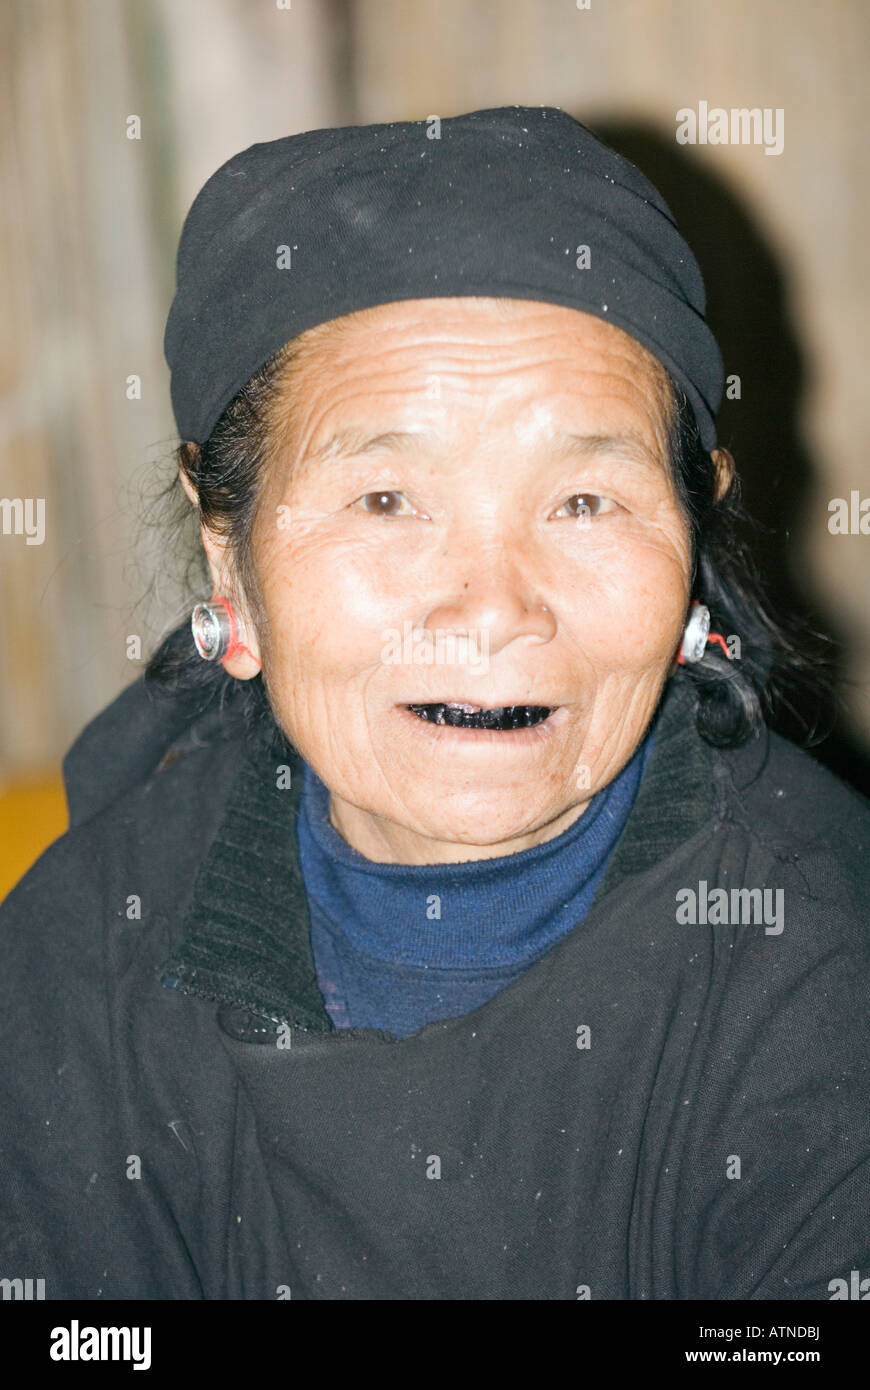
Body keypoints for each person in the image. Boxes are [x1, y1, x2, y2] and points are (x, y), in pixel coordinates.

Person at [1, 106, 868, 1301]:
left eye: (583, 502)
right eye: (388, 500)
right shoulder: (76, 957)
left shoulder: (825, 966)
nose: (492, 608)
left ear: (690, 538)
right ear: (230, 570)